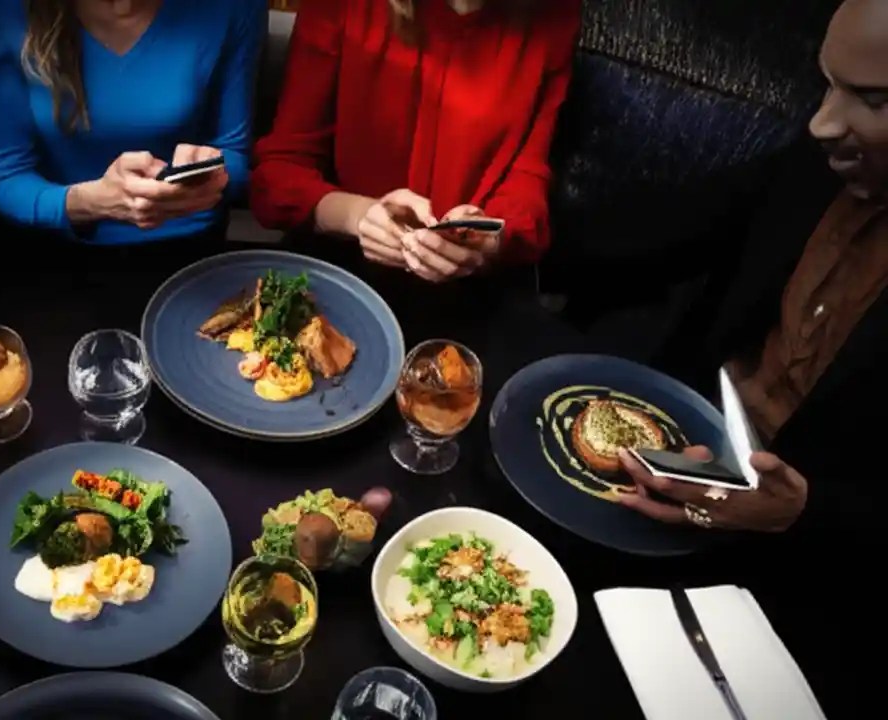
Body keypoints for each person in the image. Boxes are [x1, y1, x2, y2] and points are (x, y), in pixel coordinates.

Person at [617, 0, 886, 549]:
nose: (822, 122)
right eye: (828, 84)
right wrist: (499, 239)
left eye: (874, 99)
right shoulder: (821, 165)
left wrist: (804, 512)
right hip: (676, 448)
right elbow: (668, 228)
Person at [251, 0, 580, 282]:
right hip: (339, 265)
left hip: (471, 287)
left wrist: (488, 238)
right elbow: (280, 172)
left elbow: (527, 178)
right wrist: (357, 215)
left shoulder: (554, 14)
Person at [0, 0, 264, 245]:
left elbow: (235, 154)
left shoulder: (232, 6)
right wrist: (93, 202)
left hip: (191, 246)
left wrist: (207, 175)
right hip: (54, 252)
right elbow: (9, 176)